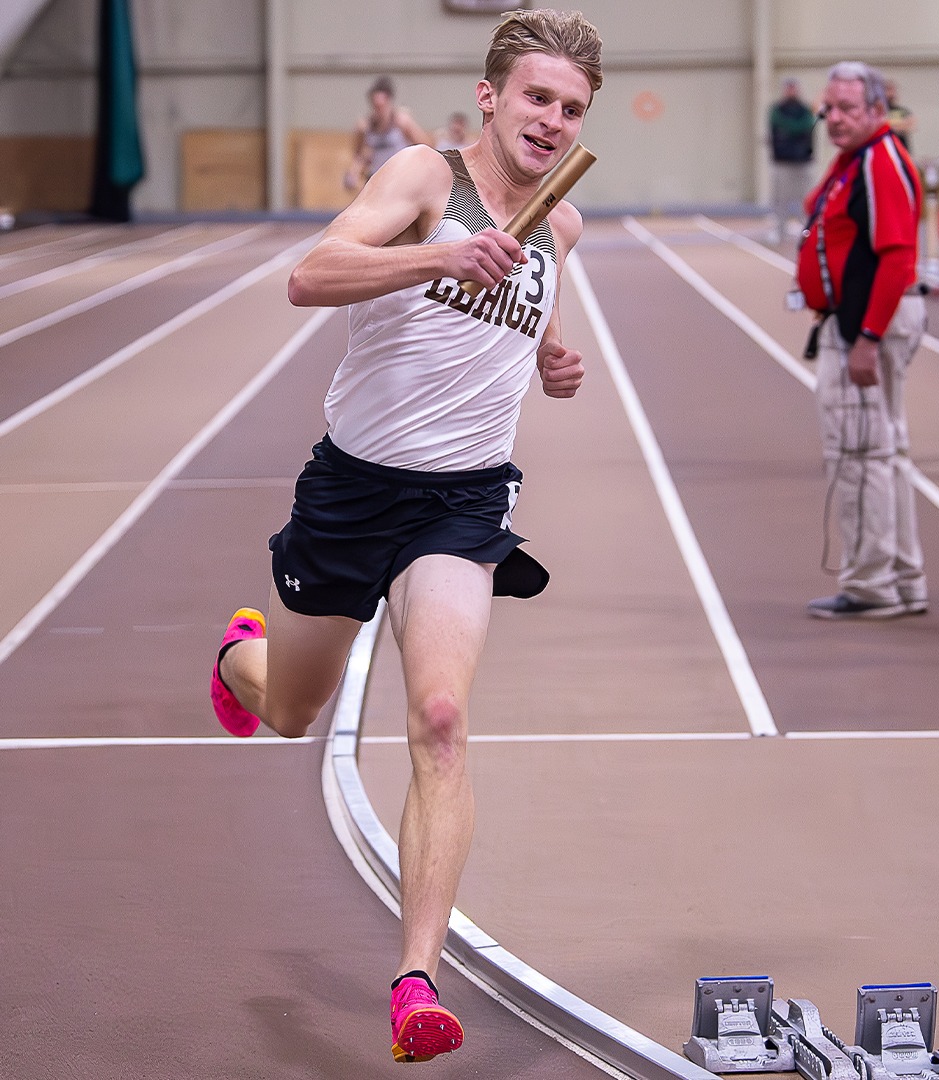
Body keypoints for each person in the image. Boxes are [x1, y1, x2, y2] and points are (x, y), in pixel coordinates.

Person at [208, 9, 601, 1060]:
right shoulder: (425, 180)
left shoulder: (562, 225)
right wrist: (435, 260)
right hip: (353, 493)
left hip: (463, 505)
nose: (552, 119)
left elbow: (532, 330)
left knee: (439, 718)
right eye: (537, 98)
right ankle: (237, 658)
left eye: (571, 107)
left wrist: (556, 364)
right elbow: (310, 277)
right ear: (491, 97)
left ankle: (415, 981)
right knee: (293, 710)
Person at [795, 61, 927, 620]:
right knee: (883, 452)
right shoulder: (858, 160)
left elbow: (897, 256)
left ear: (877, 110)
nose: (836, 118)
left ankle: (872, 585)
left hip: (865, 325)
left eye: (850, 108)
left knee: (859, 453)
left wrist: (866, 338)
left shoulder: (879, 162)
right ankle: (900, 577)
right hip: (859, 322)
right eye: (831, 108)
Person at [347, 76, 434, 191]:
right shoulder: (365, 127)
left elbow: (426, 147)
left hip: (400, 179)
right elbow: (358, 155)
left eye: (381, 106)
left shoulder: (402, 122)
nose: (379, 111)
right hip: (376, 179)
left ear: (389, 102)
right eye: (375, 106)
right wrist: (354, 173)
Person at [768, 77, 817, 241]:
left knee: (807, 199)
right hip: (782, 161)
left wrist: (792, 128)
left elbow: (805, 125)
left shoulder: (805, 110)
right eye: (788, 88)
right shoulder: (776, 110)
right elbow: (787, 125)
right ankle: (779, 230)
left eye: (793, 87)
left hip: (804, 161)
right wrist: (793, 128)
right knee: (780, 199)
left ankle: (807, 230)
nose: (791, 91)